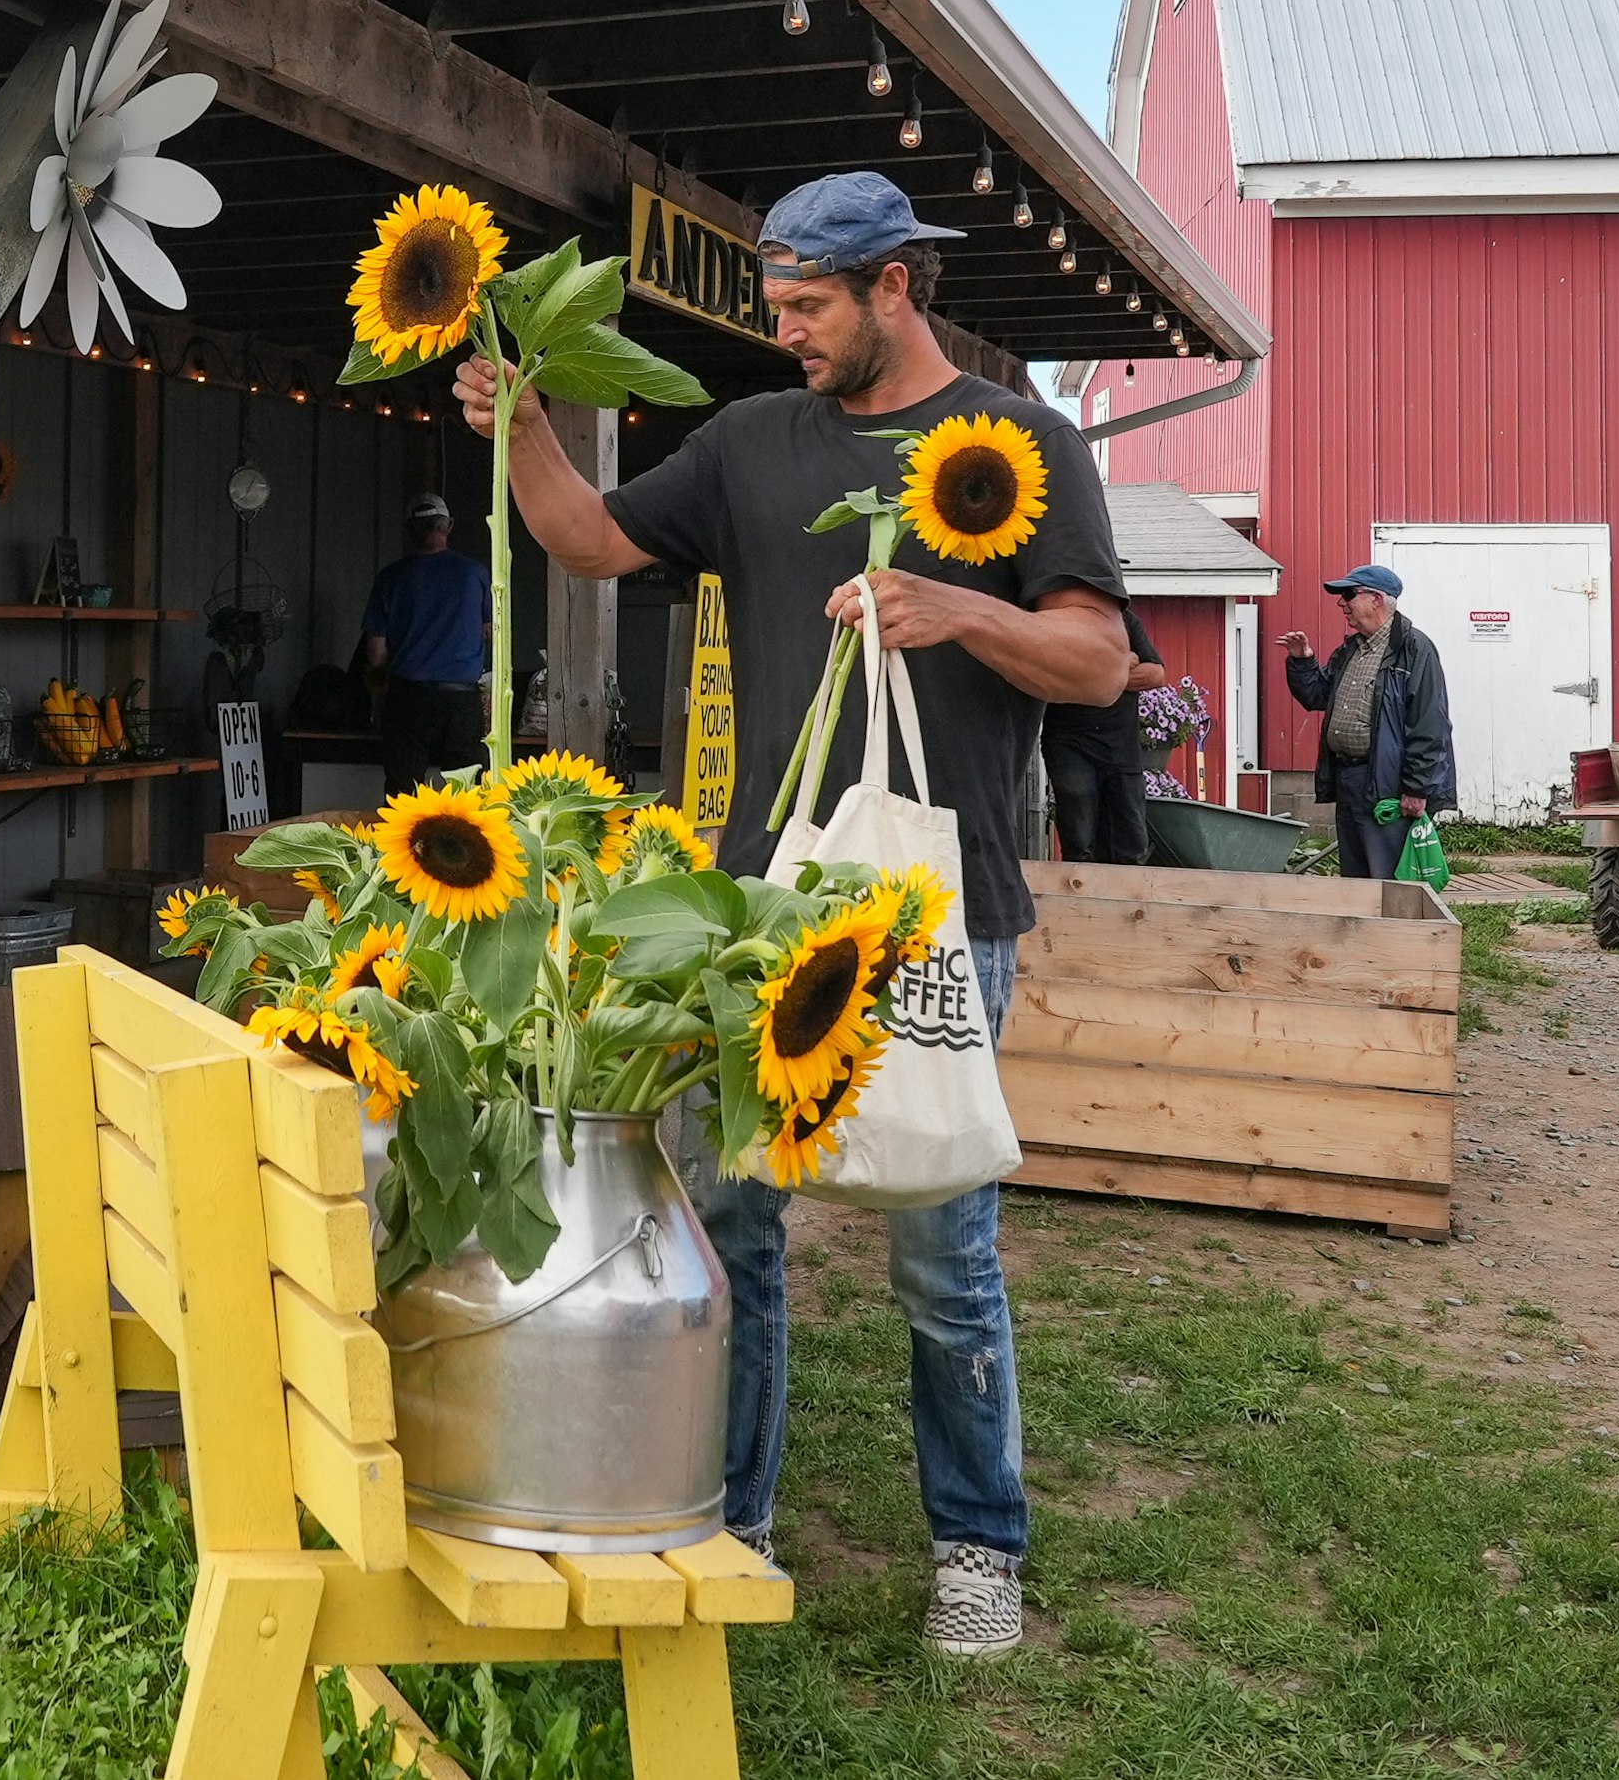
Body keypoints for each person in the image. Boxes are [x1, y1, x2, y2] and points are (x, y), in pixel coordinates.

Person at [458, 170, 1129, 1660]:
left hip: (945, 911)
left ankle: (978, 1544)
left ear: (898, 285)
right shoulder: (754, 442)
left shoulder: (1023, 444)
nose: (789, 333)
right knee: (737, 1220)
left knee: (940, 1245)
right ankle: (732, 1517)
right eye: (776, 305)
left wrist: (962, 610)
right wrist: (520, 427)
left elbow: (1095, 662)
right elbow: (587, 539)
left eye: (811, 305)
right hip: (760, 909)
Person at [1282, 564, 1454, 881]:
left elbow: (1430, 725)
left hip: (1388, 783)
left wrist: (1417, 788)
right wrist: (1303, 660)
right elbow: (1318, 696)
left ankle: (1397, 929)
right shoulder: (1352, 649)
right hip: (1349, 778)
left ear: (1376, 599)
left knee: (1387, 877)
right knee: (1356, 874)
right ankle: (1364, 928)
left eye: (1348, 594)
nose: (1341, 603)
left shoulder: (1414, 650)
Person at [359, 493, 490, 792]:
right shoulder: (474, 574)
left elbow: (376, 651)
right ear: (449, 526)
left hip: (409, 699)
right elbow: (490, 632)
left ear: (409, 530)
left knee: (403, 791)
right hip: (461, 700)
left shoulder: (391, 578)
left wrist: (379, 682)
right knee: (468, 792)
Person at [1042, 604, 1166, 865]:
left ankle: (1124, 904)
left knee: (1132, 844)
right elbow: (1059, 672)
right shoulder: (1058, 619)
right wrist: (1123, 664)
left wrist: (1106, 672)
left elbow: (1156, 674)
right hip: (1069, 744)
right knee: (1080, 842)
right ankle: (1080, 903)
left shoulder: (1126, 620)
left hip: (1122, 749)